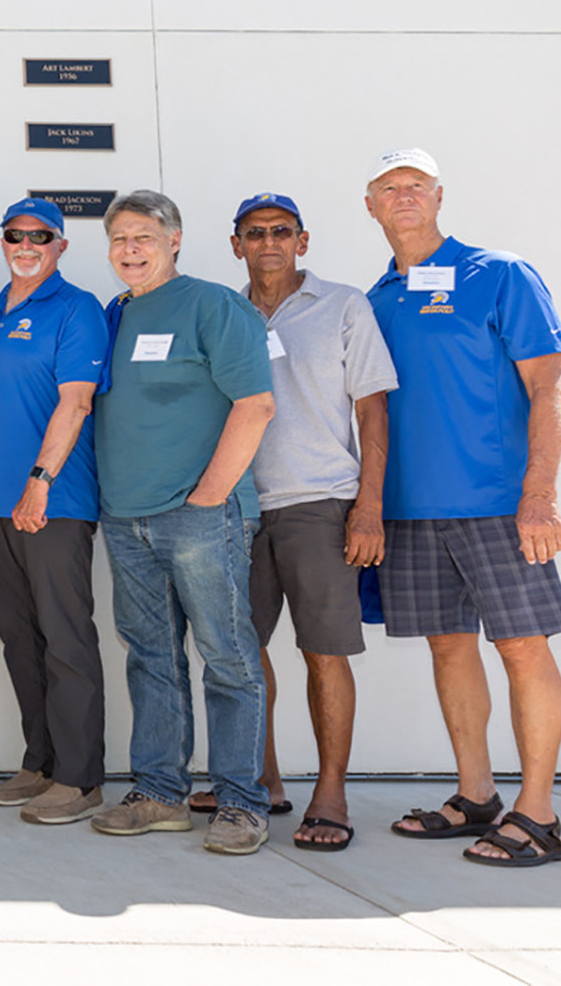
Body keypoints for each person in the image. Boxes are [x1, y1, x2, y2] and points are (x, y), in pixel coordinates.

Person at [363, 149, 561, 868]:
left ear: (439, 195)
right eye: (390, 187)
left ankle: (537, 810)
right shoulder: (376, 298)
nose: (404, 196)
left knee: (522, 647)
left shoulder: (500, 273)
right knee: (448, 645)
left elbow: (549, 387)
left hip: (500, 506)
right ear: (371, 207)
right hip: (412, 509)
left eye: (416, 184)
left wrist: (539, 493)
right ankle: (477, 795)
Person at [184, 192, 396, 852]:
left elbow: (372, 412)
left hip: (319, 503)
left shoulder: (343, 306)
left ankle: (330, 794)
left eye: (281, 231)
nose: (268, 242)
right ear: (235, 245)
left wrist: (368, 506)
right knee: (240, 656)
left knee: (324, 653)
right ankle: (260, 782)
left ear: (302, 241)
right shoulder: (220, 312)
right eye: (254, 232)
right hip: (238, 506)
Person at [88, 190, 276, 855]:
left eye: (143, 236)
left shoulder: (212, 305)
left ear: (174, 240)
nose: (130, 250)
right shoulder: (115, 314)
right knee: (151, 659)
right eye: (119, 240)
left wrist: (209, 496)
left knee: (227, 658)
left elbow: (255, 404)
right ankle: (160, 793)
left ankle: (241, 803)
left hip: (200, 518)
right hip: (126, 518)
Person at [0, 198, 110, 825]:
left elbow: (75, 403)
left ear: (60, 245)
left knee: (66, 641)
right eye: (16, 235)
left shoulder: (77, 309)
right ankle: (40, 762)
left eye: (40, 236)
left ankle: (80, 780)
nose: (27, 245)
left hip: (54, 503)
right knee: (20, 641)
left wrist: (40, 482)